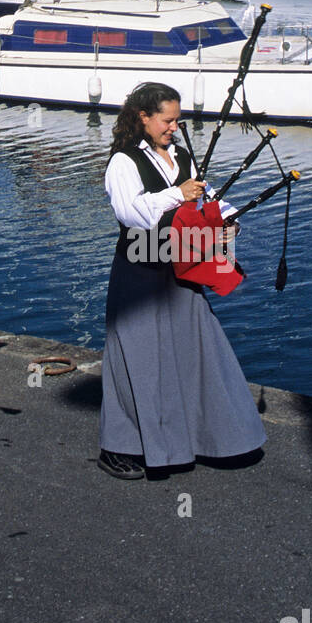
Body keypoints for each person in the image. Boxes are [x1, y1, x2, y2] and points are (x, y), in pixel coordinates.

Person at [99, 81, 266, 479]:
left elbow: (209, 203)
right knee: (137, 360)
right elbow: (133, 215)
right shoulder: (123, 161)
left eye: (177, 120)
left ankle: (204, 438)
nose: (174, 127)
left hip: (181, 267)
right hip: (139, 270)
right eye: (167, 120)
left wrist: (229, 224)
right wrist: (177, 194)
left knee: (195, 351)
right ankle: (117, 447)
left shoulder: (183, 157)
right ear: (143, 117)